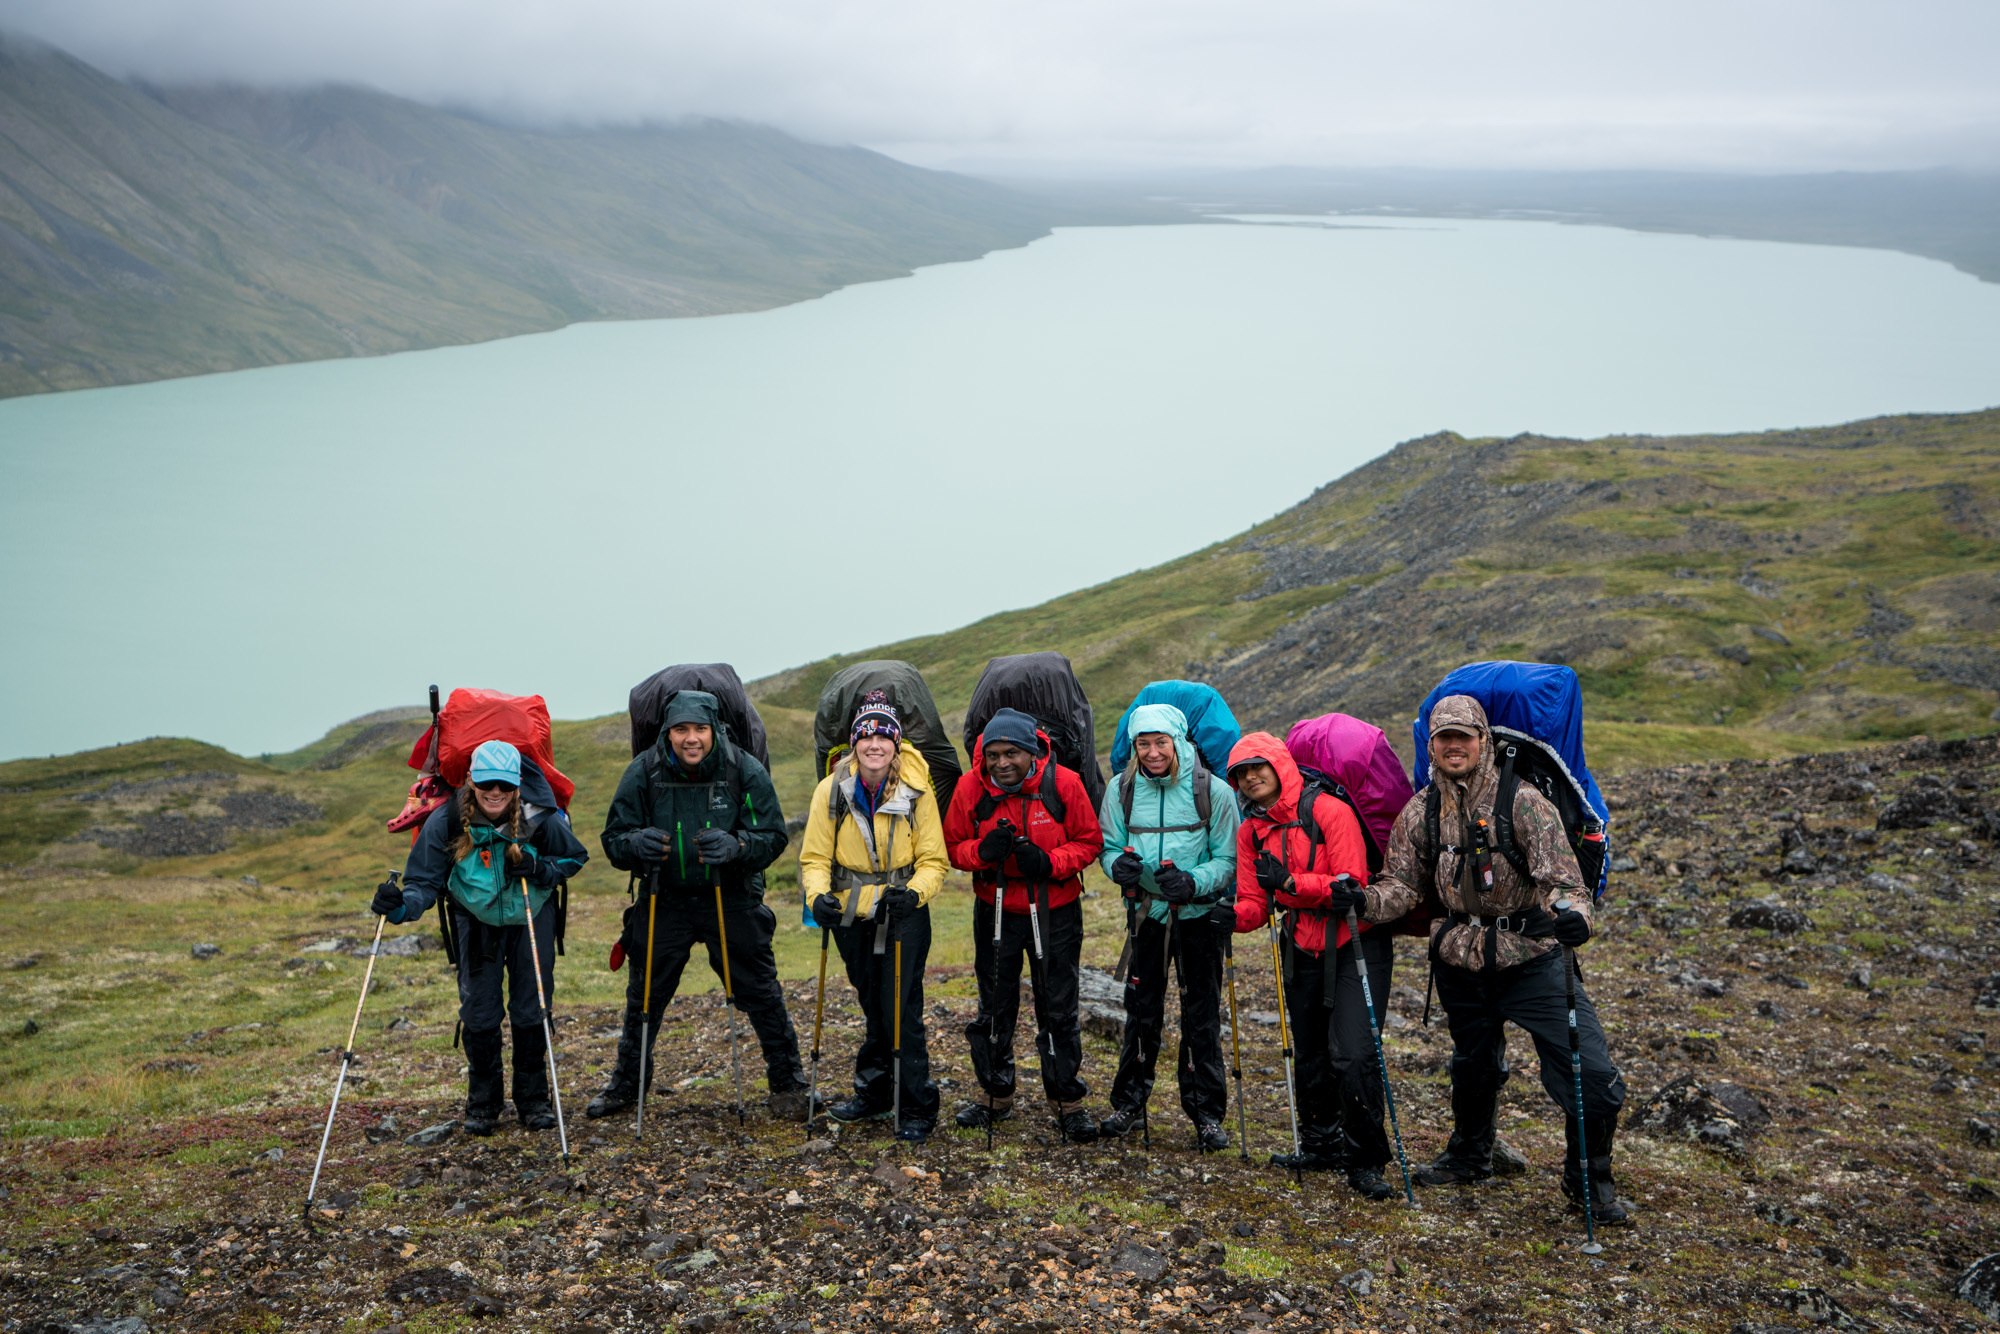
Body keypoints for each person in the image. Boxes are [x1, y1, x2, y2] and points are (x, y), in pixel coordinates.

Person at [1340, 695, 1632, 1222]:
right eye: (1443, 738)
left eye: (1464, 737)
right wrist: (1363, 901)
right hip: (1459, 961)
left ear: (1484, 742)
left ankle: (1589, 1180)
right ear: (1430, 745)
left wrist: (1574, 915)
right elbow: (1402, 886)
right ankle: (1471, 1155)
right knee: (1472, 1065)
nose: (1454, 746)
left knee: (1590, 1071)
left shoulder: (1524, 803)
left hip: (1534, 957)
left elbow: (1563, 881)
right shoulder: (1420, 810)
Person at [590, 690, 814, 1120]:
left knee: (760, 991)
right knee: (645, 996)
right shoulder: (644, 772)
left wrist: (738, 846)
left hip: (730, 896)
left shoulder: (742, 769)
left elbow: (772, 835)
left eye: (699, 729)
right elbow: (614, 840)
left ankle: (789, 1083)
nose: (690, 739)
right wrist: (635, 844)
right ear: (667, 732)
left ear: (716, 730)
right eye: (681, 730)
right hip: (663, 896)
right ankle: (626, 1085)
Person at [374, 739, 589, 1135]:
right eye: (487, 782)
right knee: (479, 1011)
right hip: (475, 921)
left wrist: (541, 869)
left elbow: (575, 857)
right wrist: (401, 907)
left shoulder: (539, 817)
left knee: (531, 1007)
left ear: (517, 785)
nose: (495, 792)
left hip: (530, 915)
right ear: (471, 780)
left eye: (505, 785)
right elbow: (423, 881)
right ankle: (484, 1104)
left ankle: (534, 1100)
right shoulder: (448, 821)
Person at [1226, 732, 1396, 1199]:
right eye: (1241, 772)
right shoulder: (1251, 831)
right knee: (1312, 1052)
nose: (1250, 778)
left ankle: (1366, 1160)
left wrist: (1292, 883)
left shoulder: (1328, 812)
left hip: (1355, 942)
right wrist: (1227, 916)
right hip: (1301, 944)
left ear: (1281, 766)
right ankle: (1323, 1144)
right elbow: (1254, 905)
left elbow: (1350, 885)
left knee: (1354, 1053)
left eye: (1258, 767)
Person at [943, 707, 1104, 1143]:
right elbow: (954, 847)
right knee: (994, 1005)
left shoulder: (1063, 783)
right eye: (993, 754)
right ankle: (996, 1094)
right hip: (994, 905)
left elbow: (1090, 842)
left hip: (1055, 908)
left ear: (1031, 751)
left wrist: (1049, 862)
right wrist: (983, 852)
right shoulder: (969, 788)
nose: (1001, 763)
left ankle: (1067, 1102)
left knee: (1057, 1006)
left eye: (1011, 752)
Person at [799, 693, 950, 1140]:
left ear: (896, 743)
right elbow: (814, 858)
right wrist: (817, 898)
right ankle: (876, 1092)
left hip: (904, 911)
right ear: (854, 744)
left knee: (900, 1007)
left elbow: (934, 861)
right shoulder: (831, 790)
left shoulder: (916, 791)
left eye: (884, 735)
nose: (875, 744)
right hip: (851, 912)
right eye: (866, 736)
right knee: (872, 1003)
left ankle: (918, 1104)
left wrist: (914, 894)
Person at [1097, 703, 1240, 1150]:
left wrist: (1192, 881)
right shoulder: (1121, 789)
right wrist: (1115, 865)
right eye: (1144, 743)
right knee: (1141, 1011)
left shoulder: (1212, 792)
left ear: (1179, 741)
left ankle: (1206, 1114)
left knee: (1200, 1014)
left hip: (1198, 917)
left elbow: (1230, 860)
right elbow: (1107, 846)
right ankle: (1129, 1103)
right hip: (1146, 916)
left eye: (1161, 742)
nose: (1153, 752)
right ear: (1134, 746)